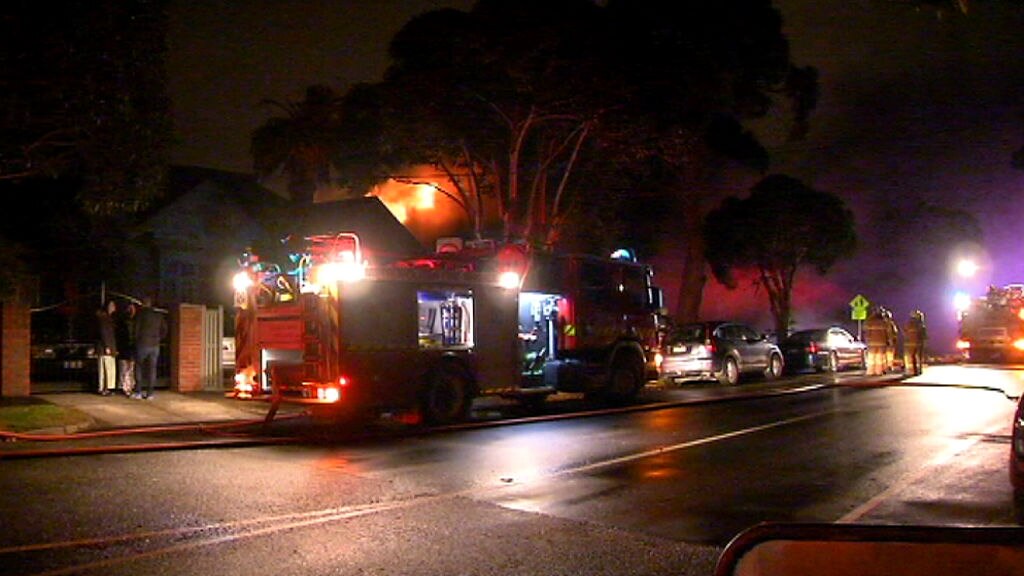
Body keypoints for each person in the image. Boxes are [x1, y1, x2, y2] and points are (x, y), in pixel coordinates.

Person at [133, 296, 167, 400]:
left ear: (143, 304)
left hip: (142, 344)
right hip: (155, 345)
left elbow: (136, 329)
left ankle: (138, 392)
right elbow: (164, 330)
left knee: (138, 367)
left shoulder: (140, 314)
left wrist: (136, 340)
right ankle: (150, 393)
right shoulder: (158, 315)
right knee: (152, 369)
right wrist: (158, 338)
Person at [95, 300, 118, 396]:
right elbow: (104, 333)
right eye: (112, 305)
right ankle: (104, 388)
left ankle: (106, 388)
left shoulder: (107, 318)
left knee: (107, 369)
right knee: (106, 369)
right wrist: (107, 346)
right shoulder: (104, 318)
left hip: (108, 348)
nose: (114, 307)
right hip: (105, 348)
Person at [115, 301, 137, 397]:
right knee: (126, 369)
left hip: (129, 348)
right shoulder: (125, 322)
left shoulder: (132, 322)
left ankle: (128, 386)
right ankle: (126, 387)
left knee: (129, 369)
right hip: (126, 348)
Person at [863, 307, 889, 377]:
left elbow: (866, 331)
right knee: (879, 358)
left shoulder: (869, 322)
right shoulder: (884, 322)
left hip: (871, 343)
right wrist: (888, 341)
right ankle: (878, 371)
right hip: (882, 343)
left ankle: (870, 371)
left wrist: (867, 340)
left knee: (871, 358)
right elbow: (888, 333)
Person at [903, 309, 927, 376]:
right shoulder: (921, 325)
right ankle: (918, 370)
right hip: (919, 344)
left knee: (909, 357)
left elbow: (905, 332)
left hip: (909, 344)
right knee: (918, 357)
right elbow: (924, 336)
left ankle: (910, 371)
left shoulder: (909, 324)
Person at [882, 307, 900, 373]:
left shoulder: (887, 324)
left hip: (886, 342)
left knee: (887, 355)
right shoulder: (890, 324)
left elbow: (892, 333)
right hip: (888, 342)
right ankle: (888, 367)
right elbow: (894, 332)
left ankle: (887, 367)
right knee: (888, 355)